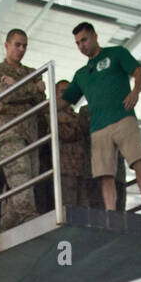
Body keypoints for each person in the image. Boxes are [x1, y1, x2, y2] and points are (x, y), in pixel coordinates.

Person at [61, 21, 141, 215]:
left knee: (138, 161)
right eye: (78, 43)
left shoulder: (116, 53)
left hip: (123, 116)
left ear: (95, 36)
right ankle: (111, 213)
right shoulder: (81, 74)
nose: (82, 46)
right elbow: (64, 101)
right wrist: (39, 105)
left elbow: (139, 72)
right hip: (98, 127)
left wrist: (135, 91)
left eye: (84, 40)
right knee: (105, 173)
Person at [0, 29, 48, 232]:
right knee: (19, 176)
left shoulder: (30, 72)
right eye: (17, 45)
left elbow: (41, 99)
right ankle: (30, 218)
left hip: (31, 134)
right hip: (10, 132)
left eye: (24, 46)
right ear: (6, 45)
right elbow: (6, 95)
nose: (21, 49)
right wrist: (32, 88)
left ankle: (5, 227)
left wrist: (19, 86)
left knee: (27, 180)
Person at [54, 79, 88, 207]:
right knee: (68, 210)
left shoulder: (76, 116)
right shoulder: (51, 114)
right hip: (64, 170)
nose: (66, 95)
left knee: (84, 211)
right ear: (56, 94)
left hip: (81, 169)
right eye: (63, 91)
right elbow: (66, 134)